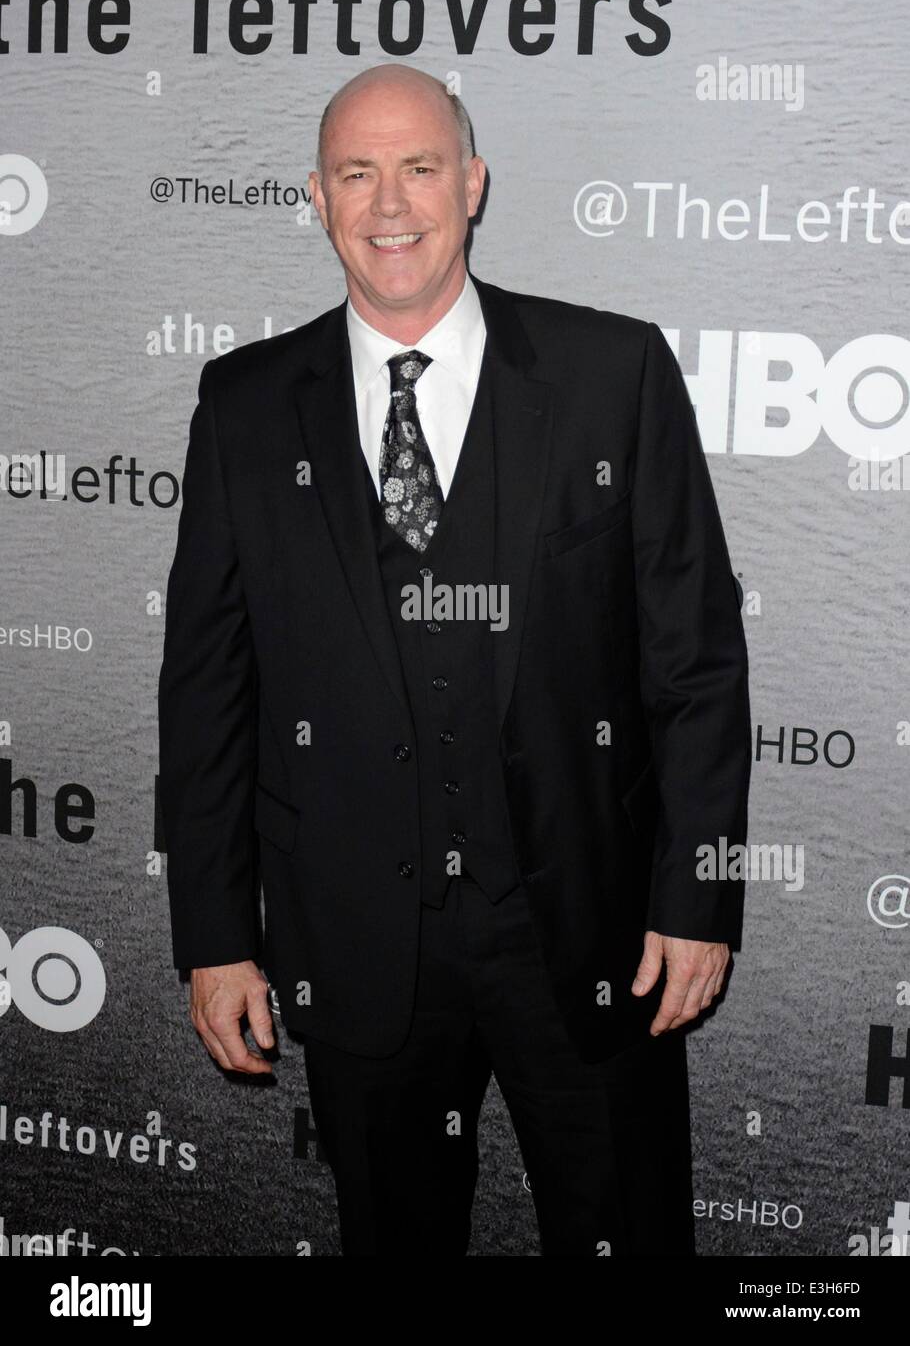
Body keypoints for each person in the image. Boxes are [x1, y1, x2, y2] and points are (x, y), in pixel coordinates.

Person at [158, 63, 751, 1257]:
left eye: (420, 167)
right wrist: (217, 932)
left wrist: (695, 896)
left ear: (472, 185)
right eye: (356, 173)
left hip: (586, 937)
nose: (391, 202)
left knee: (627, 1236)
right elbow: (208, 691)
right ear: (318, 199)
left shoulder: (611, 376)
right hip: (360, 946)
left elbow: (694, 662)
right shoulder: (246, 404)